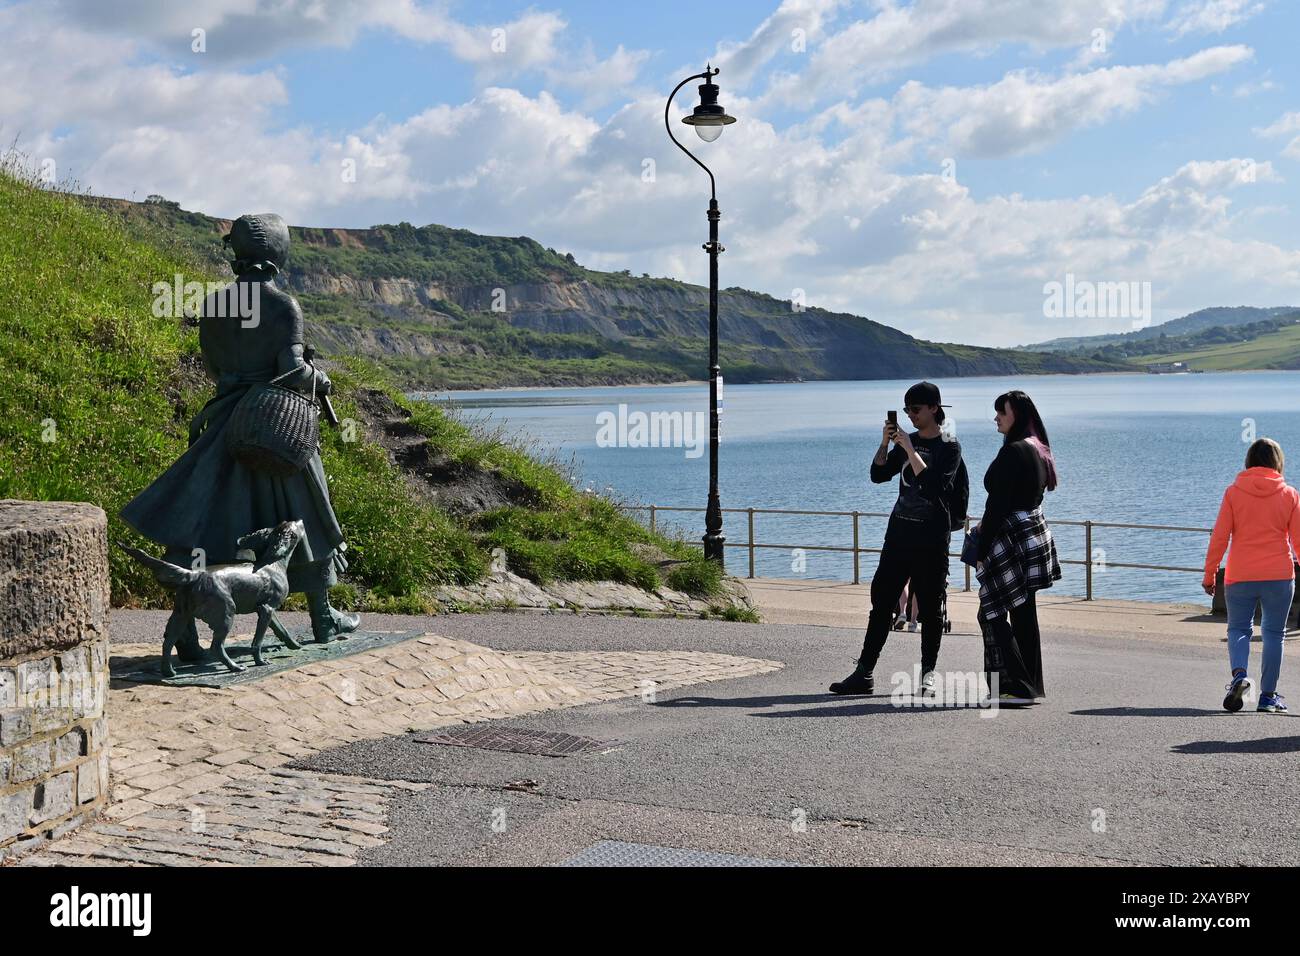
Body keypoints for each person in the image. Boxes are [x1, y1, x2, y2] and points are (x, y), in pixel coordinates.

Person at [123, 213, 360, 650]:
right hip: (272, 424)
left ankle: (189, 635)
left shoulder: (214, 305)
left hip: (225, 423)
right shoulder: (282, 305)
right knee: (308, 511)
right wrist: (319, 379)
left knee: (204, 524)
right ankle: (323, 618)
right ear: (277, 256)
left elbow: (215, 369)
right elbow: (290, 370)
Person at [830, 382, 966, 697]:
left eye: (915, 410)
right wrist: (885, 443)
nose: (911, 416)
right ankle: (864, 673)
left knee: (932, 609)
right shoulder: (909, 440)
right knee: (881, 604)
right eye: (906, 411)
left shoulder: (950, 446)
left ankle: (928, 675)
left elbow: (934, 487)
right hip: (899, 537)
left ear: (934, 408)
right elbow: (878, 475)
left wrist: (908, 449)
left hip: (931, 540)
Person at [973, 390, 1061, 706]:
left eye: (1002, 412)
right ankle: (1030, 685)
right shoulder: (1038, 449)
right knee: (1024, 613)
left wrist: (981, 549)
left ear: (1017, 417)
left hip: (1009, 541)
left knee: (993, 611)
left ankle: (1018, 685)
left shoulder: (1012, 452)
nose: (996, 417)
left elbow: (997, 506)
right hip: (1034, 538)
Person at [1203, 437, 1300, 714]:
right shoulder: (1290, 494)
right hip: (1279, 575)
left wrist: (1210, 573)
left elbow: (1220, 537)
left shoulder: (1234, 493)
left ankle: (1240, 677)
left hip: (1240, 574)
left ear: (1248, 462)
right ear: (1277, 462)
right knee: (1273, 634)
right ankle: (1268, 697)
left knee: (1238, 629)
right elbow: (1299, 540)